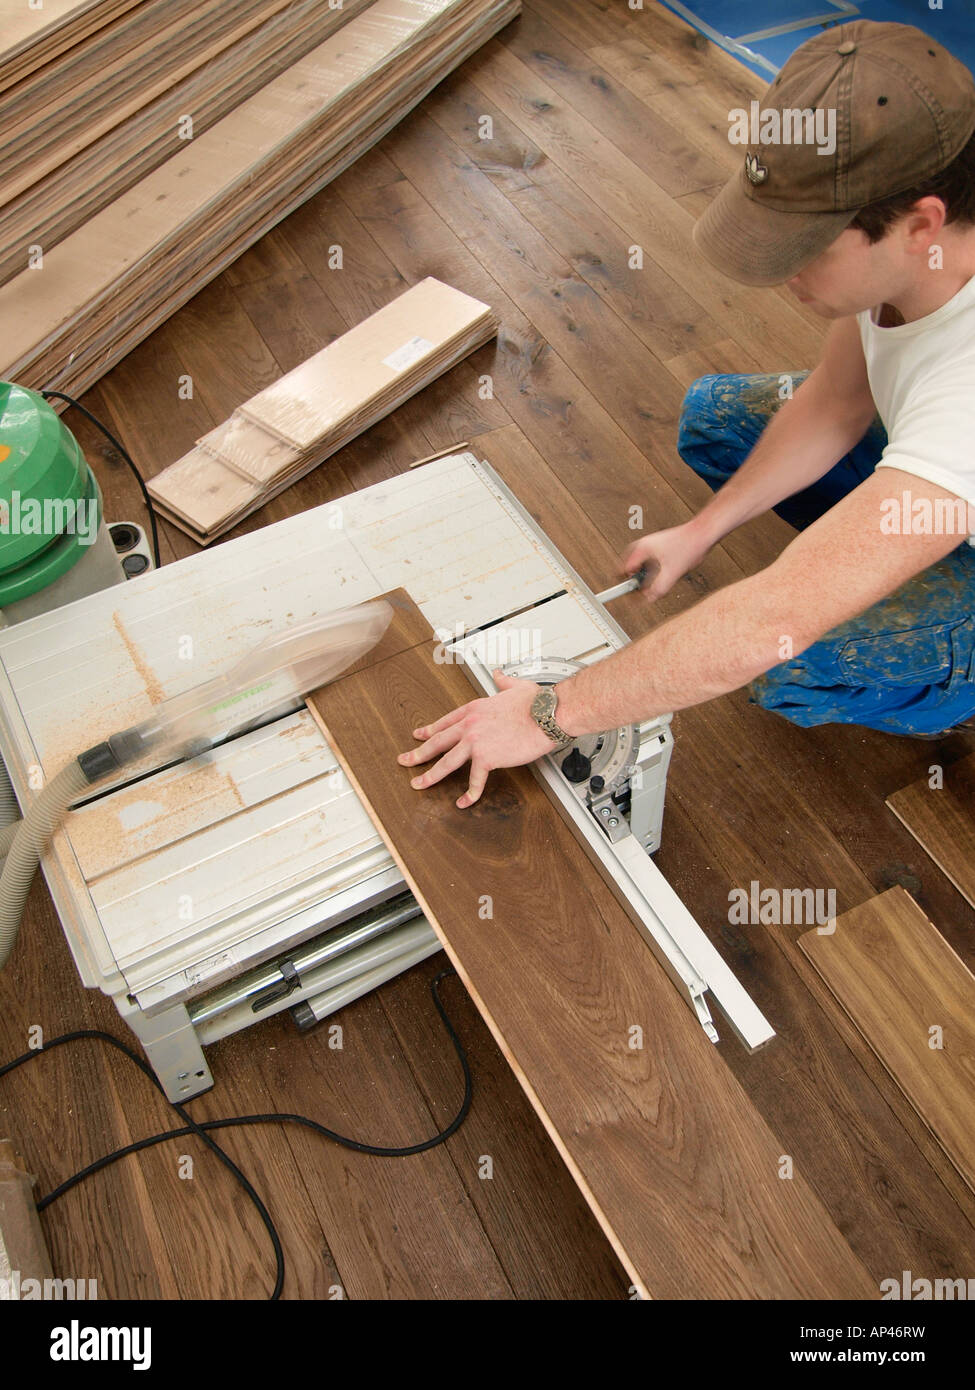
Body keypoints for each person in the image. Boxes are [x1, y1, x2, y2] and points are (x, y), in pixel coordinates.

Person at [399, 19, 975, 809]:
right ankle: (886, 544)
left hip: (954, 463)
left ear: (920, 226)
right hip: (940, 469)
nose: (779, 275)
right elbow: (837, 400)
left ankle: (934, 628)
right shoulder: (916, 257)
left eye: (805, 250)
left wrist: (550, 711)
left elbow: (772, 615)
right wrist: (701, 530)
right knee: (715, 420)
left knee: (790, 655)